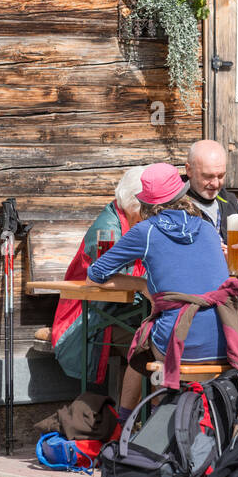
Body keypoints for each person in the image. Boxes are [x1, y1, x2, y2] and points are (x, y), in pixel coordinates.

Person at [88, 163, 229, 406]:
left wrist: (141, 284)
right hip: (223, 338)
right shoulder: (207, 228)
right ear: (182, 194)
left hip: (182, 344)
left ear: (146, 202)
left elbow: (95, 274)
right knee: (147, 342)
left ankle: (142, 425)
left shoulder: (145, 231)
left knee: (140, 350)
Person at [51, 166, 148, 401]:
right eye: (150, 205)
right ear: (136, 204)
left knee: (156, 340)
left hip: (121, 313)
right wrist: (146, 285)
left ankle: (140, 418)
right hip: (89, 318)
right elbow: (108, 284)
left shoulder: (129, 220)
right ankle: (141, 419)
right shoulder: (108, 231)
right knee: (150, 347)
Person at [183, 139, 238, 238]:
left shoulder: (231, 202)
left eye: (221, 176)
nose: (215, 184)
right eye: (208, 176)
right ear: (189, 170)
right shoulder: (174, 206)